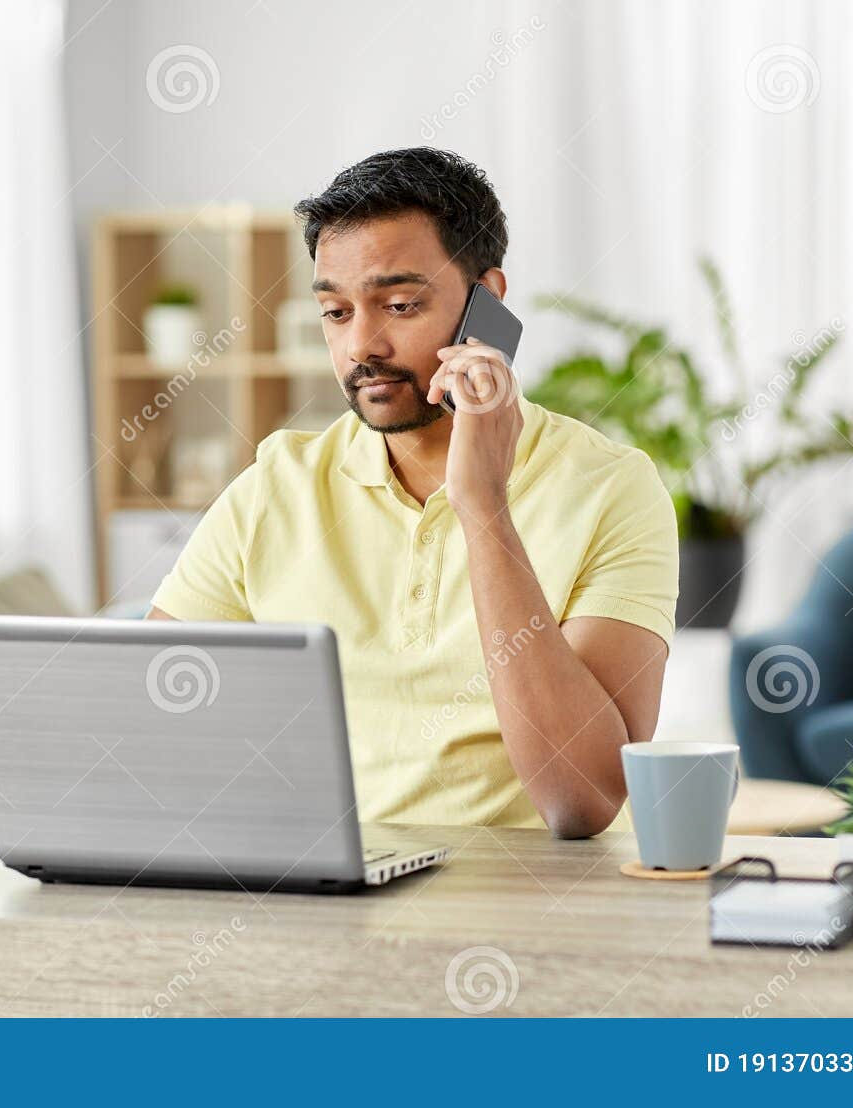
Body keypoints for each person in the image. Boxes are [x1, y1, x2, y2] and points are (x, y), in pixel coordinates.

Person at [150, 147, 678, 837]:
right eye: (336, 313)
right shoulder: (277, 484)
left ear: (486, 301)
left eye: (399, 305)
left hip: (528, 906)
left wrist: (483, 504)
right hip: (323, 890)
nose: (362, 344)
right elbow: (154, 731)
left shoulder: (611, 488)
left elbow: (581, 799)